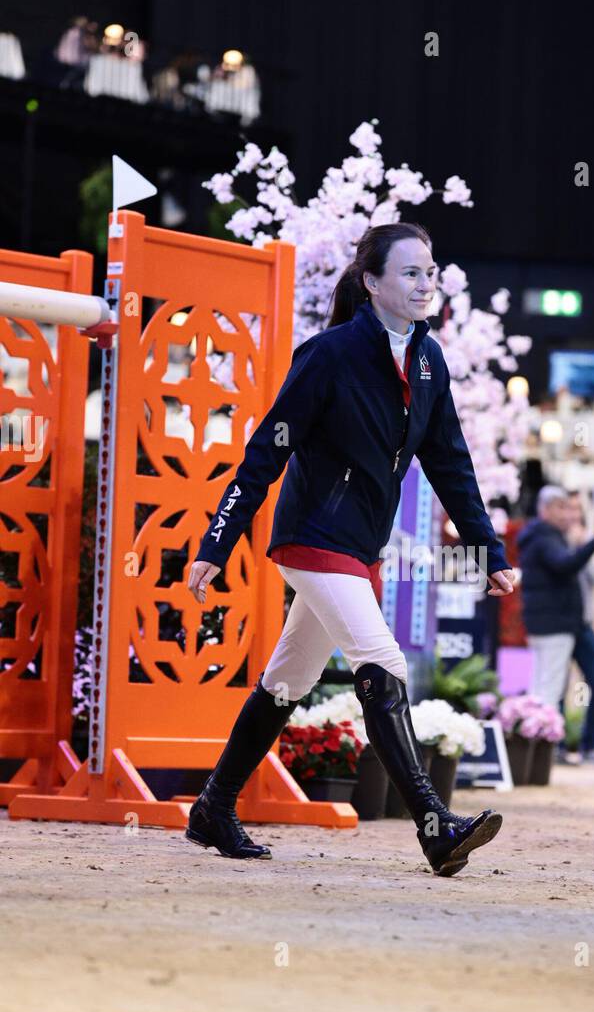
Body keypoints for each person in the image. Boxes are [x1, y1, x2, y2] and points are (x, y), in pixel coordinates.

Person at [186, 222, 515, 874]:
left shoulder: (428, 360)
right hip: (311, 534)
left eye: (431, 271)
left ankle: (212, 808)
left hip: (360, 542)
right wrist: (215, 543)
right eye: (411, 273)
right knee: (380, 657)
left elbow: (451, 462)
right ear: (372, 283)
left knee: (289, 680)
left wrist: (490, 552)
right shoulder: (329, 355)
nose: (427, 283)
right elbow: (265, 452)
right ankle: (432, 823)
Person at [516, 487, 594, 708]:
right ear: (545, 510)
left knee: (541, 686)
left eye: (569, 508)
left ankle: (535, 738)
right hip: (554, 624)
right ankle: (543, 738)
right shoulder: (545, 536)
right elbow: (565, 565)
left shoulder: (540, 535)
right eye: (561, 508)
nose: (567, 515)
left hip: (549, 624)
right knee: (549, 689)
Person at [563, 493, 594, 763]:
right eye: (567, 509)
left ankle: (589, 745)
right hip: (560, 624)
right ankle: (556, 746)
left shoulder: (587, 539)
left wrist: (587, 545)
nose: (572, 515)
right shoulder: (554, 538)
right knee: (557, 686)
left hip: (583, 624)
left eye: (576, 510)